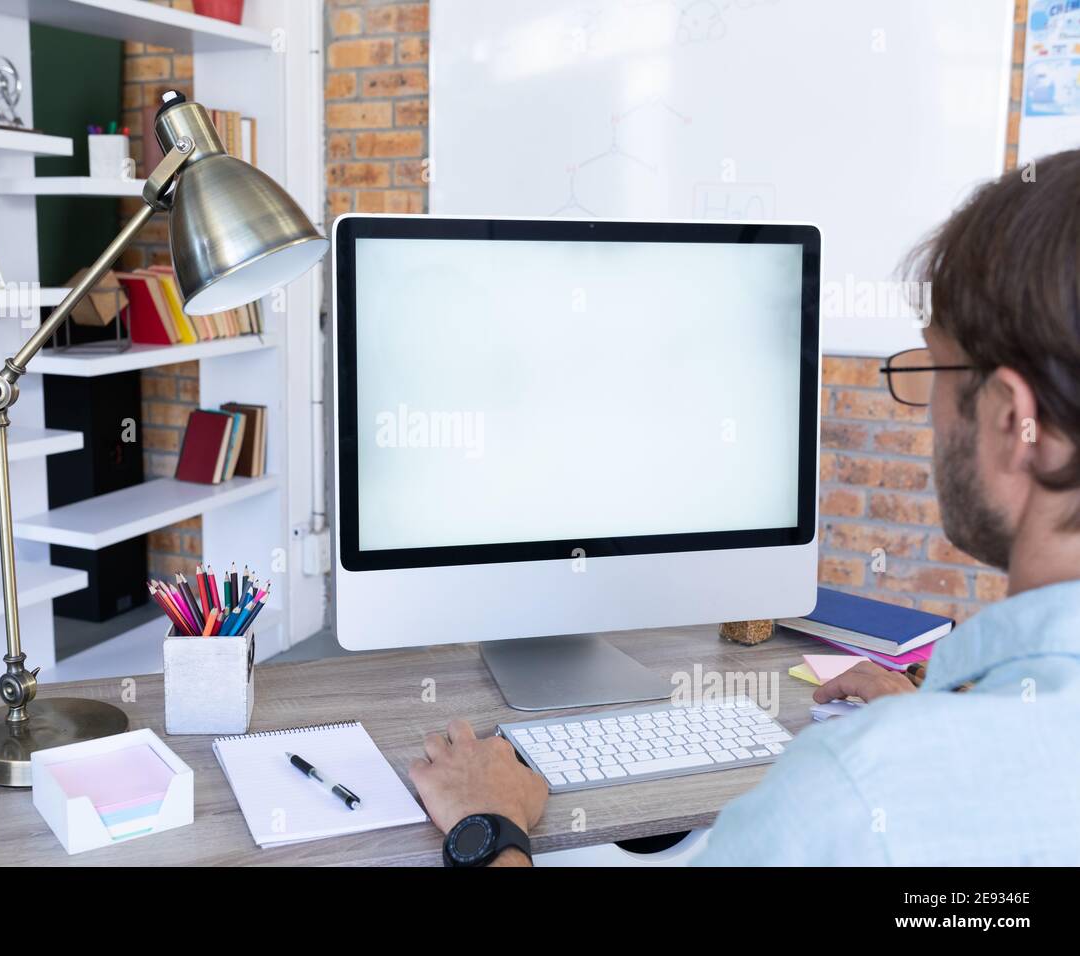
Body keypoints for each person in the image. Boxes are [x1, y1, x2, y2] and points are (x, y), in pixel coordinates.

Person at [409, 151, 1080, 866]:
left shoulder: (859, 792)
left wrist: (489, 828)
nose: (928, 410)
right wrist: (934, 727)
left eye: (933, 368)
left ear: (1012, 419)